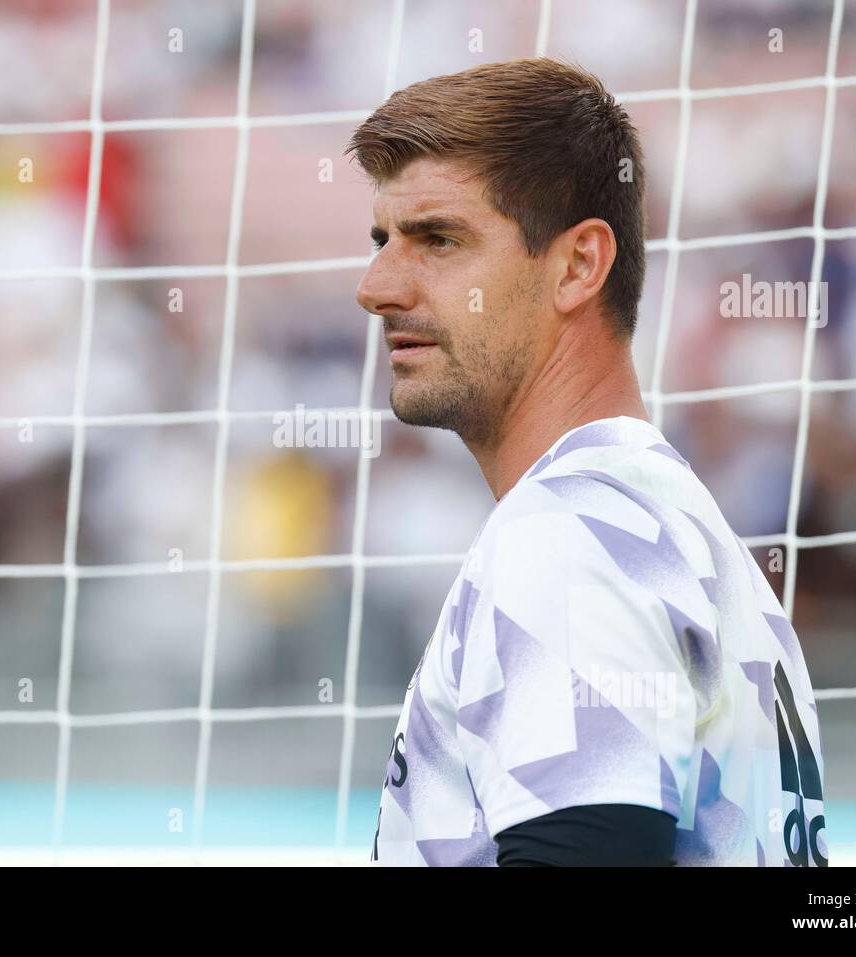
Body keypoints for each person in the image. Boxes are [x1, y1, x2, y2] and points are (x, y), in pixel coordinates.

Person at [349, 57, 828, 867]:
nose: (377, 285)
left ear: (578, 265)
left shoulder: (568, 536)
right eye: (382, 240)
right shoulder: (678, 526)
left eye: (437, 239)